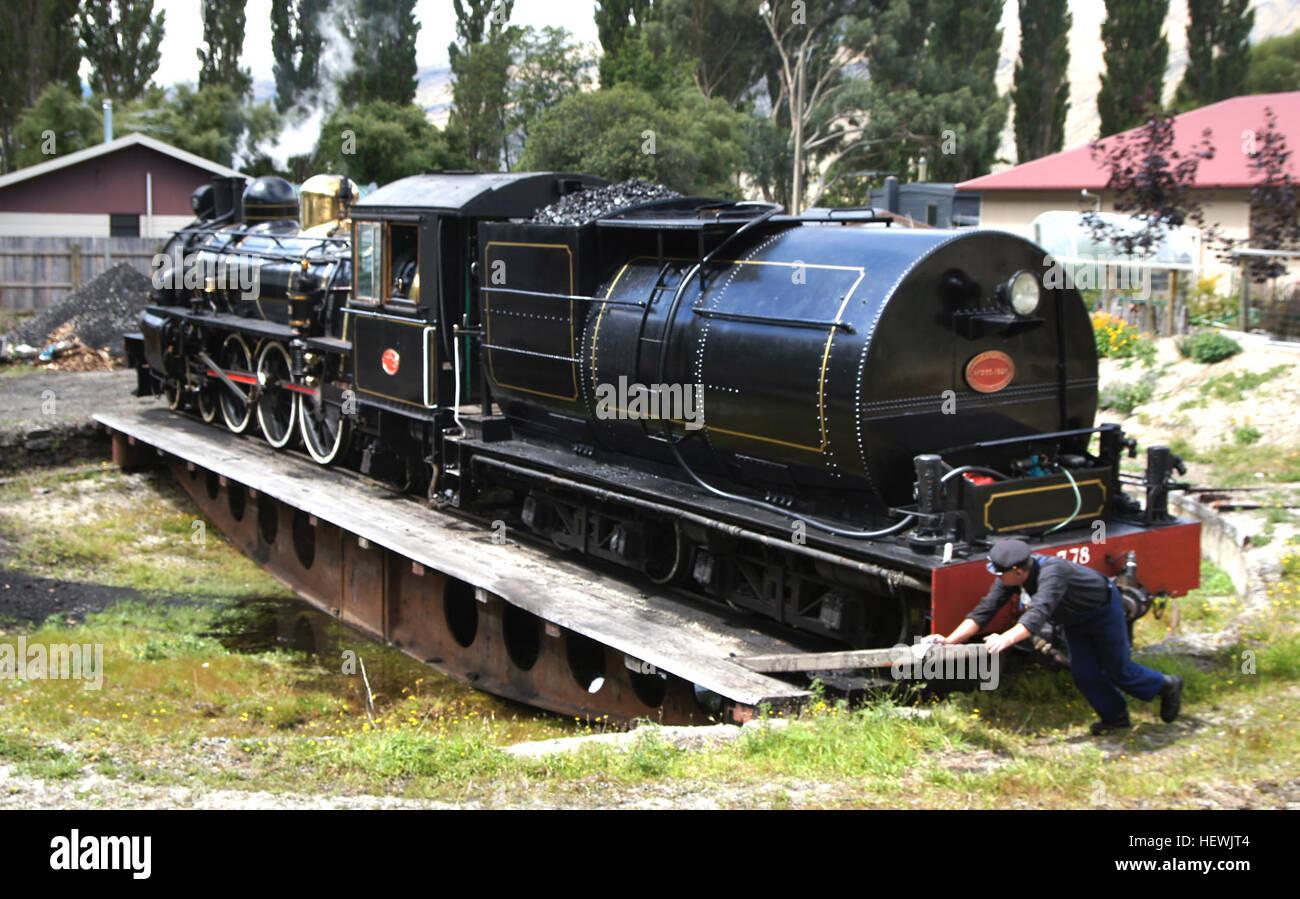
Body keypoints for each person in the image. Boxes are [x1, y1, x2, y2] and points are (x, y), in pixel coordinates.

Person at [935, 539, 1184, 735]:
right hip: (1073, 619)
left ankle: (1167, 685)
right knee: (1085, 674)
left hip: (1103, 612)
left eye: (1000, 574)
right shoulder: (1010, 576)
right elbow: (985, 610)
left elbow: (1038, 614)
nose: (997, 579)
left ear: (1019, 570)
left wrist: (1006, 639)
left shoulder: (1053, 573)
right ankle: (1116, 719)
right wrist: (950, 640)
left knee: (1119, 670)